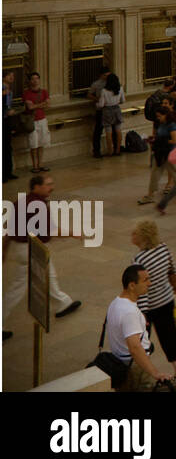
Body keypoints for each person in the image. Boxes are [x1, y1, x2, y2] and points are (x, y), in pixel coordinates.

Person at [3, 174, 82, 326]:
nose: (51, 187)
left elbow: (9, 229)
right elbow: (49, 231)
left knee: (48, 276)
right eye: (48, 184)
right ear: (36, 187)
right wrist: (72, 233)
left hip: (23, 249)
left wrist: (4, 249)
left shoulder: (20, 202)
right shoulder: (37, 206)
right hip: (31, 250)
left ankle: (63, 303)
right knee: (17, 289)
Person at [129, 220, 176, 378]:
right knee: (169, 335)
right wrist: (175, 287)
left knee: (143, 340)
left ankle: (144, 371)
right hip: (167, 299)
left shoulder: (139, 260)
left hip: (151, 305)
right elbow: (171, 269)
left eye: (134, 233)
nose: (131, 236)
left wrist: (143, 313)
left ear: (142, 237)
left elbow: (143, 289)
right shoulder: (163, 247)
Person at [103, 265, 171, 392]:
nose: (149, 283)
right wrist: (155, 373)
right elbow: (134, 348)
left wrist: (138, 320)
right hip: (135, 368)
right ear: (132, 285)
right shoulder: (129, 313)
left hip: (121, 364)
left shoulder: (115, 303)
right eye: (145, 280)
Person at [22, 72, 51, 174]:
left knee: (41, 143)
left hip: (42, 119)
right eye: (33, 79)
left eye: (37, 78)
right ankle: (34, 165)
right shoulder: (26, 93)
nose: (35, 81)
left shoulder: (44, 91)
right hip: (32, 121)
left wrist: (37, 105)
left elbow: (48, 105)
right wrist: (42, 104)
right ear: (30, 81)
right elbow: (30, 107)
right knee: (34, 143)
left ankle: (40, 163)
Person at [96, 72, 126, 156]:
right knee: (118, 130)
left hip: (107, 110)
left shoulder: (104, 91)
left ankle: (110, 151)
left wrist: (97, 105)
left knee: (108, 132)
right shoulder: (120, 88)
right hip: (116, 109)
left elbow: (101, 104)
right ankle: (118, 149)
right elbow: (123, 100)